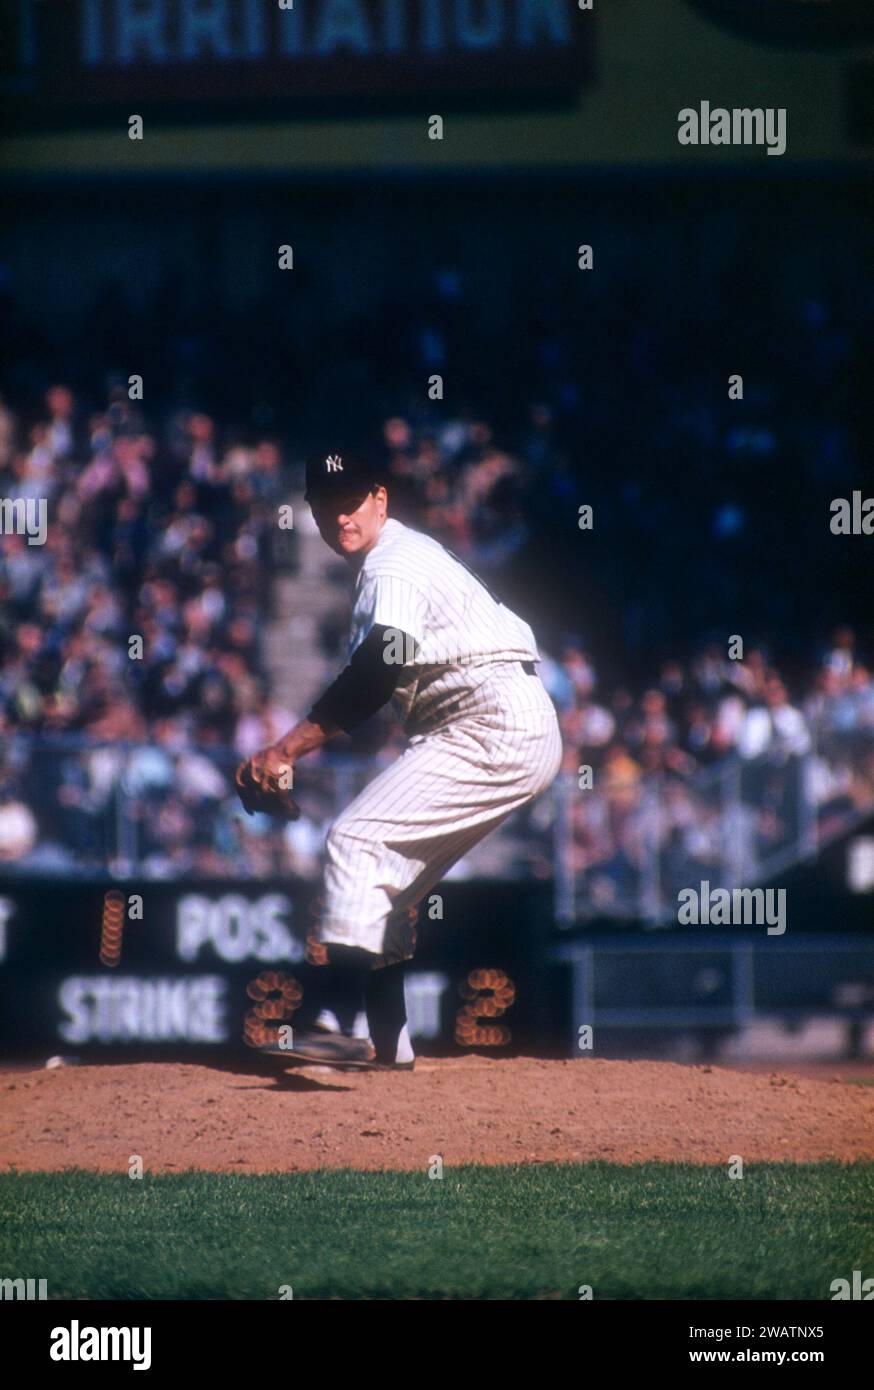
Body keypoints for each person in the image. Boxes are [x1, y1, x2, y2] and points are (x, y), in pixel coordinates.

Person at [236, 449, 562, 1069]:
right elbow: (375, 687)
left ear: (380, 499)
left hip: (490, 721)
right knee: (387, 884)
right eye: (326, 506)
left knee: (356, 840)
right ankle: (390, 1045)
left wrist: (284, 749)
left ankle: (336, 1019)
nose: (341, 516)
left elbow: (379, 668)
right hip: (486, 720)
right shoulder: (393, 563)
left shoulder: (393, 563)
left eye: (352, 501)